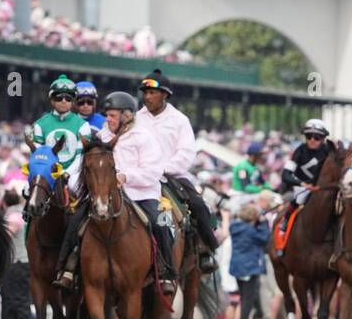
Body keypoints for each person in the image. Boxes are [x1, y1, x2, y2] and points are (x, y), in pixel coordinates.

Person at [54, 91, 178, 296]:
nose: (108, 119)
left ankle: (166, 272)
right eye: (107, 115)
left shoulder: (144, 137)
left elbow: (153, 170)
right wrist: (72, 185)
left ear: (126, 116)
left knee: (161, 222)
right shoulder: (101, 137)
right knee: (75, 219)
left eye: (112, 115)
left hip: (142, 194)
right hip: (106, 196)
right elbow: (83, 168)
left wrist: (126, 177)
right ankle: (66, 269)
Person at [137, 70, 219, 273]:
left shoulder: (179, 120)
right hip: (140, 177)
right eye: (145, 92)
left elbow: (186, 152)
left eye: (152, 93)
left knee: (199, 205)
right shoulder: (136, 118)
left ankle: (206, 250)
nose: (147, 97)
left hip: (172, 176)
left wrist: (164, 168)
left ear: (165, 94)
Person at [25, 74, 91, 181]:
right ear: (52, 101)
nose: (64, 101)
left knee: (73, 187)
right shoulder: (39, 125)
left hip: (73, 175)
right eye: (59, 98)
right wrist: (48, 171)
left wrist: (67, 173)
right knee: (26, 189)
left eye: (68, 98)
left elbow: (81, 157)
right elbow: (37, 155)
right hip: (46, 172)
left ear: (73, 101)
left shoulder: (83, 125)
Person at [228, 202, 271, 319]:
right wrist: (263, 223)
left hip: (238, 267)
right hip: (249, 267)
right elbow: (265, 239)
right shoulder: (250, 230)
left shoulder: (235, 226)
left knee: (243, 298)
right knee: (248, 299)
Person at [280, 119, 332, 206]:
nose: (312, 140)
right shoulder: (299, 151)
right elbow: (285, 175)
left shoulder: (329, 152)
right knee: (295, 202)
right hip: (301, 189)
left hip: (322, 189)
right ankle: (287, 219)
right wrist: (303, 184)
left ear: (323, 138)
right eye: (308, 136)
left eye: (317, 137)